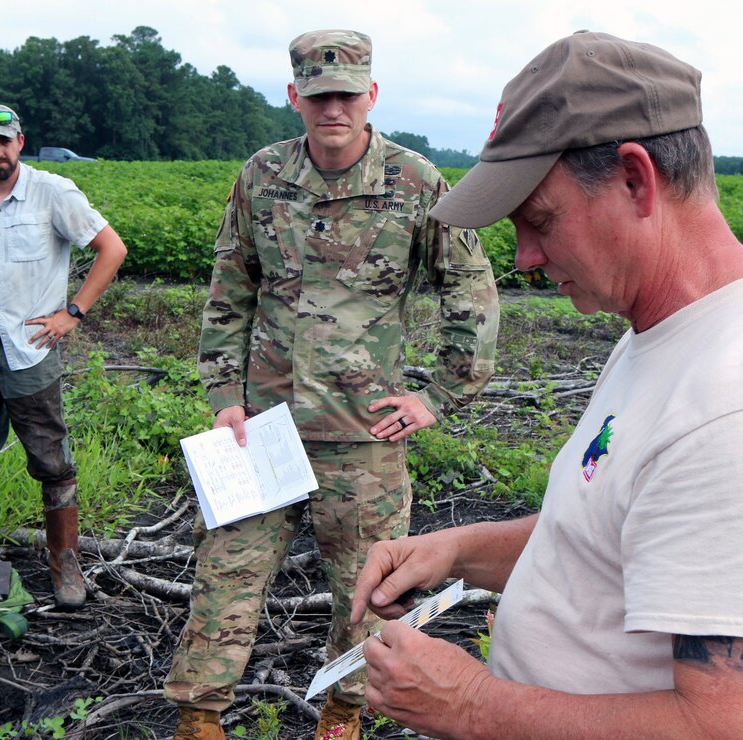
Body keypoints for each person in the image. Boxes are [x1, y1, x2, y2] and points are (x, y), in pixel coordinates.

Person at [350, 31, 743, 739]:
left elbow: (740, 728)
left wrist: (471, 705)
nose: (525, 257)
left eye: (539, 220)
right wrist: (459, 552)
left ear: (635, 179)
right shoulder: (665, 335)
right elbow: (619, 537)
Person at [164, 29, 499, 739]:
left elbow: (469, 288)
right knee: (224, 577)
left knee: (367, 592)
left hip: (363, 434)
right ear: (295, 97)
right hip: (263, 428)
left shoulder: (414, 182)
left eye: (347, 95)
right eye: (318, 97)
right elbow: (230, 290)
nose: (334, 109)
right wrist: (224, 397)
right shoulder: (263, 176)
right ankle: (199, 718)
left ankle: (344, 714)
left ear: (371, 94)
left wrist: (438, 396)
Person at [0, 103, 127, 610]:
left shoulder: (54, 192)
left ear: (20, 143)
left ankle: (65, 563)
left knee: (51, 460)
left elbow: (112, 249)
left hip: (31, 349)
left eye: (4, 141)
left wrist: (72, 313)